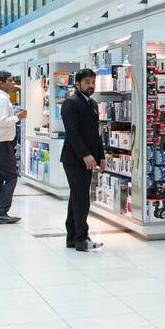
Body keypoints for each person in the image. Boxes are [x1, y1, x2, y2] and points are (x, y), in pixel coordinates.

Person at [61, 68, 104, 251]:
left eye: (93, 82)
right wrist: (85, 154)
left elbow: (96, 133)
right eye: (87, 82)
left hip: (89, 158)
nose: (91, 85)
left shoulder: (92, 104)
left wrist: (100, 155)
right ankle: (81, 239)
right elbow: (72, 132)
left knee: (77, 198)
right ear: (77, 84)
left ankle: (72, 238)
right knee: (81, 199)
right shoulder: (71, 103)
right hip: (74, 159)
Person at [0, 72, 26, 225]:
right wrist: (18, 117)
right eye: (9, 81)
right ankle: (2, 212)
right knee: (11, 177)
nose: (13, 83)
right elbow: (2, 122)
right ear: (1, 83)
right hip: (2, 144)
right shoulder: (2, 100)